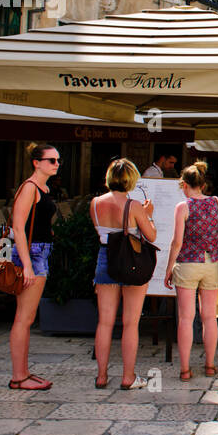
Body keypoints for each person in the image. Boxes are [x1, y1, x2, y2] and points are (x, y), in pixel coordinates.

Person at [89, 159, 157, 390]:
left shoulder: (95, 203)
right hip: (130, 262)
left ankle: (101, 376)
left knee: (104, 323)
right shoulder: (134, 205)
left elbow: (102, 232)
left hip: (105, 258)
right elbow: (151, 235)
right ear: (131, 179)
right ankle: (128, 377)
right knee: (130, 323)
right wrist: (149, 215)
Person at [164, 161, 218, 381]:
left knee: (185, 318)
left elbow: (176, 242)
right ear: (202, 184)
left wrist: (168, 268)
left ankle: (185, 369)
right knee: (210, 317)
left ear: (184, 185)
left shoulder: (183, 207)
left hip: (188, 264)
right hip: (212, 264)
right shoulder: (216, 202)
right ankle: (210, 365)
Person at [6, 142, 61, 390]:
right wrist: (27, 265)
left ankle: (24, 372)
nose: (56, 164)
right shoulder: (29, 188)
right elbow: (17, 227)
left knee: (27, 317)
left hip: (40, 251)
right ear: (36, 163)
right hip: (32, 254)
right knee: (24, 318)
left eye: (58, 160)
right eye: (51, 160)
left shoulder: (44, 188)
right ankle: (19, 376)